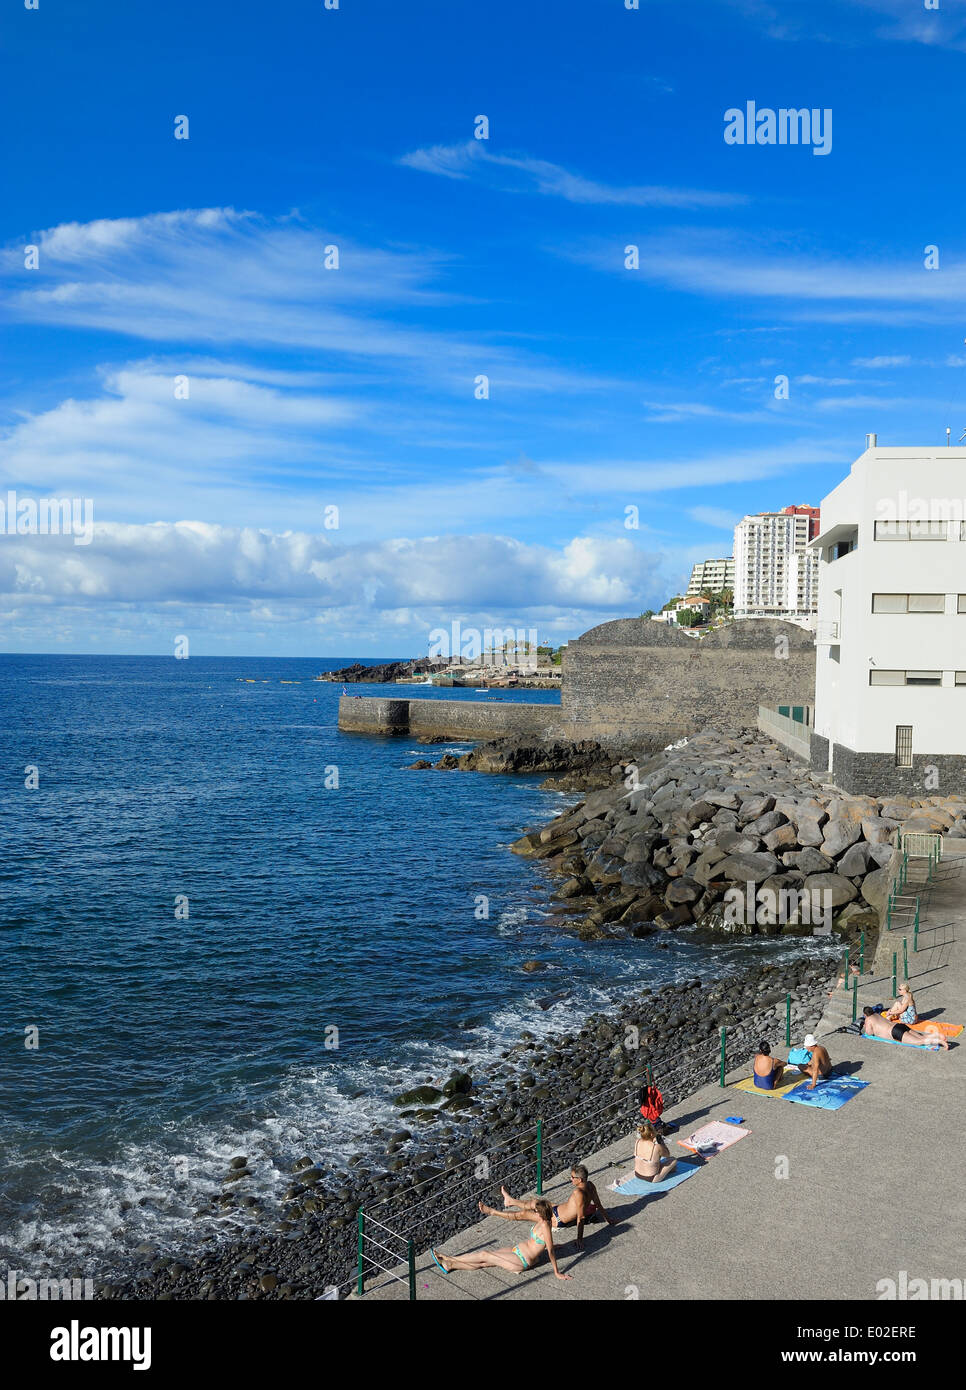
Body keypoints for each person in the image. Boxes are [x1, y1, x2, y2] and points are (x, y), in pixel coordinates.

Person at [431, 1198, 572, 1279]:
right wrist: (492, 1211)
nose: (533, 1212)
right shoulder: (540, 1219)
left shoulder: (546, 1226)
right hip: (516, 1252)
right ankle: (450, 1265)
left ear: (541, 1213)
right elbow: (515, 1217)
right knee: (483, 1263)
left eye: (535, 1211)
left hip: (520, 1261)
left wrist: (556, 1272)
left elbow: (551, 1253)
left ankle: (448, 1258)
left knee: (484, 1254)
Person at [500, 1165, 616, 1250]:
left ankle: (494, 1212)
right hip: (558, 1210)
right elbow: (598, 1204)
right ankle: (510, 1201)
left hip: (557, 1219)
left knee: (524, 1214)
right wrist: (608, 1219)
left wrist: (579, 1239)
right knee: (536, 1202)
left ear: (579, 1180)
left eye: (572, 1177)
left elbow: (581, 1217)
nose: (570, 1179)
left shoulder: (578, 1193)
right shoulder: (590, 1185)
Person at [862, 1006, 949, 1049]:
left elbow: (869, 1033)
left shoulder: (868, 1019)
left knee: (919, 1042)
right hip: (899, 1026)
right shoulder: (877, 1014)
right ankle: (938, 1035)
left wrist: (865, 1026)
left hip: (895, 1032)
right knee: (921, 1036)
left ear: (865, 1015)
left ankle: (940, 1041)